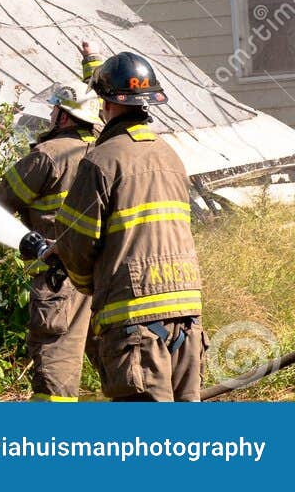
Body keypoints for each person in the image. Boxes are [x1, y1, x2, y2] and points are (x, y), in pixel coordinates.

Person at [55, 51, 205, 401]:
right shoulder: (170, 155)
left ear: (105, 104)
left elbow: (75, 243)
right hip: (187, 319)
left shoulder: (102, 161)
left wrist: (86, 282)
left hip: (134, 324)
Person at [0, 80, 103, 401]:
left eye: (56, 109)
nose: (51, 114)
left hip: (61, 282)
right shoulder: (106, 151)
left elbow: (0, 202)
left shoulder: (47, 156)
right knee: (117, 364)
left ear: (65, 117)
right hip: (105, 277)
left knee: (55, 370)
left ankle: (51, 443)